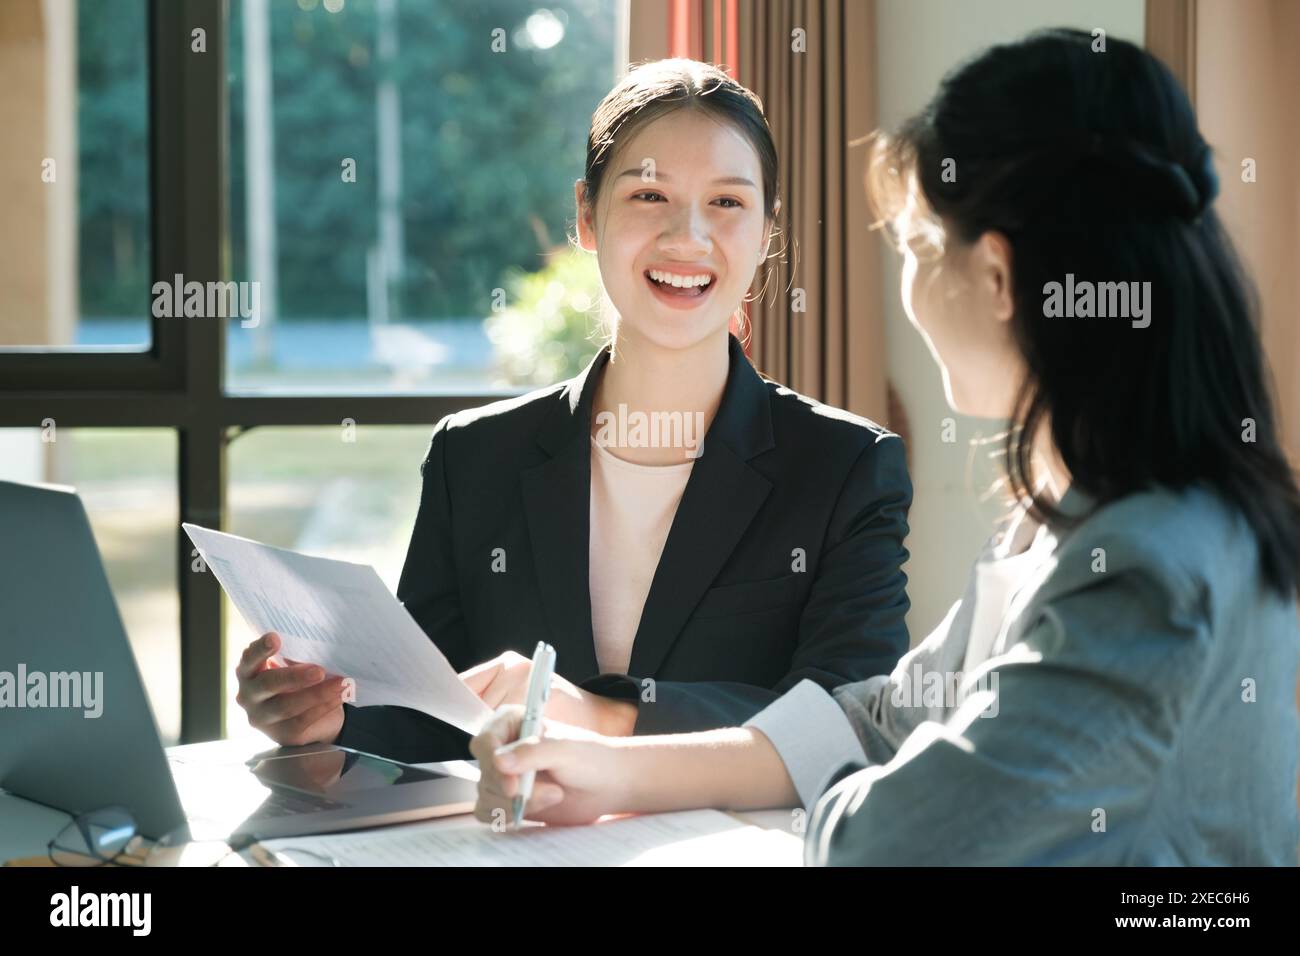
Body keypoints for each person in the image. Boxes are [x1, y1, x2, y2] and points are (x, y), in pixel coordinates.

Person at [469, 30, 1300, 865]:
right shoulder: (1071, 521)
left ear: (998, 277)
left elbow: (897, 837)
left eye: (911, 247)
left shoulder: (1141, 567)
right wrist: (616, 774)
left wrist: (799, 805)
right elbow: (880, 720)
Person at [233, 59, 912, 764]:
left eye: (727, 203)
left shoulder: (847, 469)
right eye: (650, 195)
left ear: (768, 228)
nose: (688, 237)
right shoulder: (474, 458)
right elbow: (431, 710)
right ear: (587, 217)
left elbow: (846, 714)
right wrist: (326, 719)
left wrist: (598, 712)